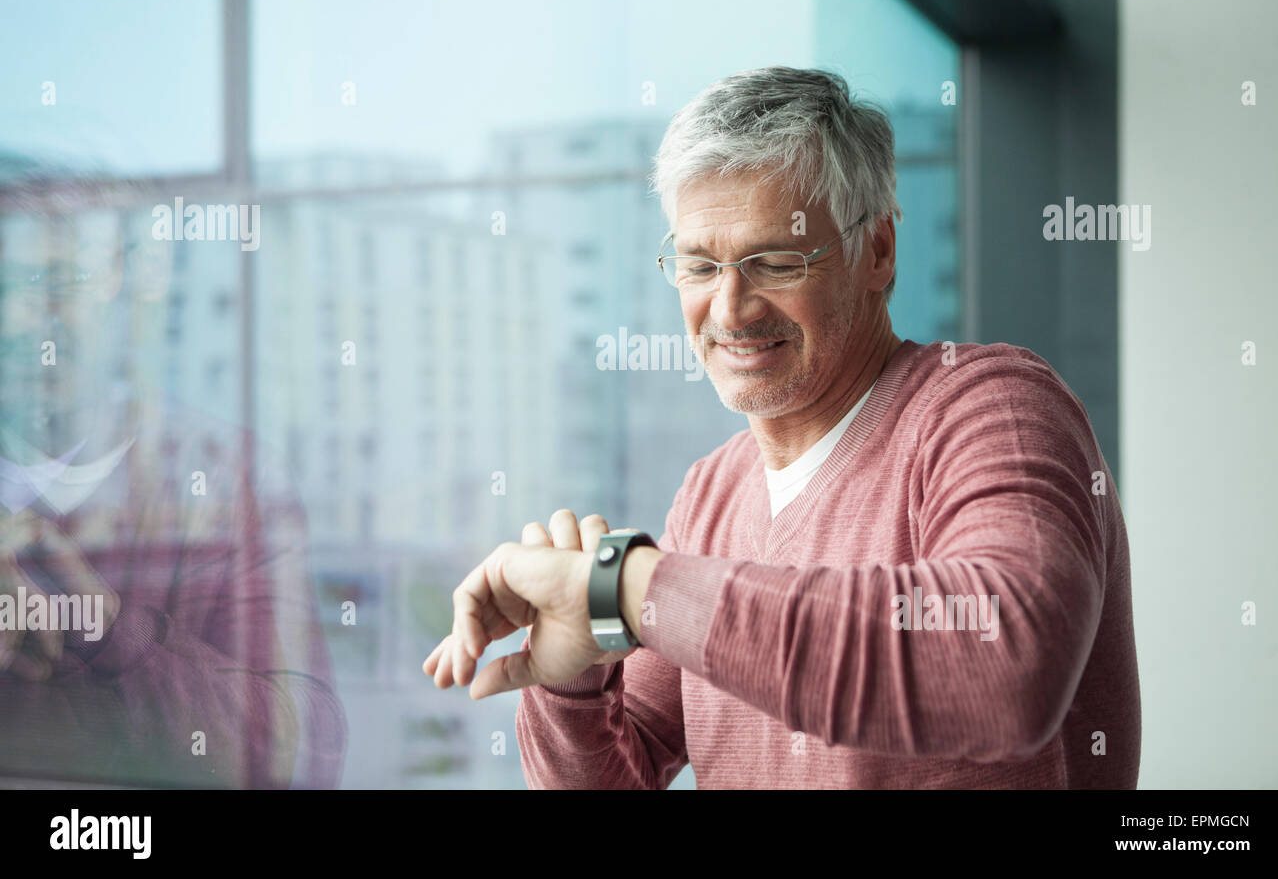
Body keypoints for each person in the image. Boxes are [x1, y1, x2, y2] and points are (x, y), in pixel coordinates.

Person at [424, 66, 1140, 789]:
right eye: (700, 266)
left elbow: (1004, 667)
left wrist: (621, 586)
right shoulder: (712, 493)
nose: (730, 309)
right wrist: (577, 670)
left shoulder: (994, 408)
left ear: (879, 250)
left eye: (774, 261)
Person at [0, 173, 346, 787]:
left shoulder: (219, 475)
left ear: (123, 281)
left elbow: (298, 754)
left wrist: (105, 628)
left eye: (60, 283)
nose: (26, 315)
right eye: (11, 285)